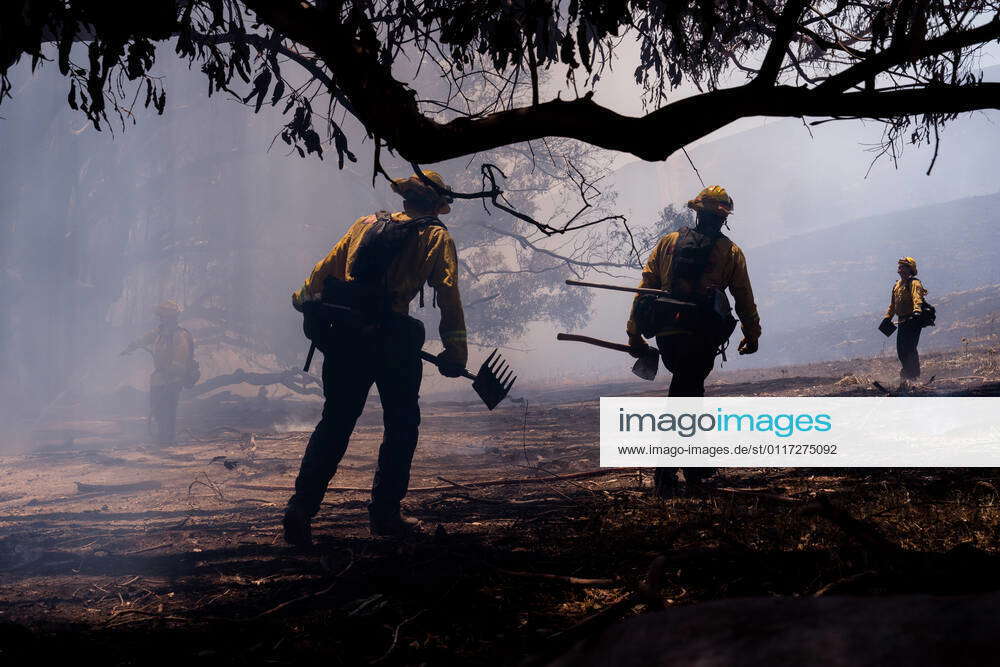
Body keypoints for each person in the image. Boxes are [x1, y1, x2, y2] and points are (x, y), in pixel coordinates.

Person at [283, 170, 468, 545]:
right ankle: (385, 515)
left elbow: (324, 269)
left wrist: (302, 299)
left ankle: (300, 509)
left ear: (406, 197)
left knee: (334, 423)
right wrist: (455, 351)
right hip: (394, 340)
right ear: (435, 203)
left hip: (346, 335)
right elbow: (447, 291)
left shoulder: (365, 223)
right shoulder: (435, 236)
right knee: (401, 427)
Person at [626, 186, 761, 497]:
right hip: (701, 336)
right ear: (722, 218)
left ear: (697, 212)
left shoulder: (668, 243)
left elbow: (645, 289)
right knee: (685, 397)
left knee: (688, 393)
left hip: (668, 336)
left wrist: (634, 332)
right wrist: (752, 333)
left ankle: (693, 467)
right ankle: (667, 473)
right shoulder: (730, 252)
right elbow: (743, 297)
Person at [121, 301, 198, 445]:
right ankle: (163, 436)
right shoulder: (161, 332)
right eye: (161, 317)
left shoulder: (179, 335)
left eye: (164, 316)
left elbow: (180, 359)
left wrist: (172, 372)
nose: (162, 319)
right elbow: (145, 338)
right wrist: (132, 346)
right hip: (159, 378)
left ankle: (167, 438)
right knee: (157, 407)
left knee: (167, 408)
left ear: (172, 318)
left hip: (172, 379)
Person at [882, 256, 927, 387]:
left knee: (910, 349)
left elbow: (917, 298)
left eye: (903, 266)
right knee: (901, 350)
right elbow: (893, 305)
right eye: (900, 266)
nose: (900, 269)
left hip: (913, 320)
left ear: (910, 269)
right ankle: (907, 375)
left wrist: (917, 311)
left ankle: (912, 377)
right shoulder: (897, 285)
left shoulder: (914, 283)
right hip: (902, 321)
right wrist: (887, 317)